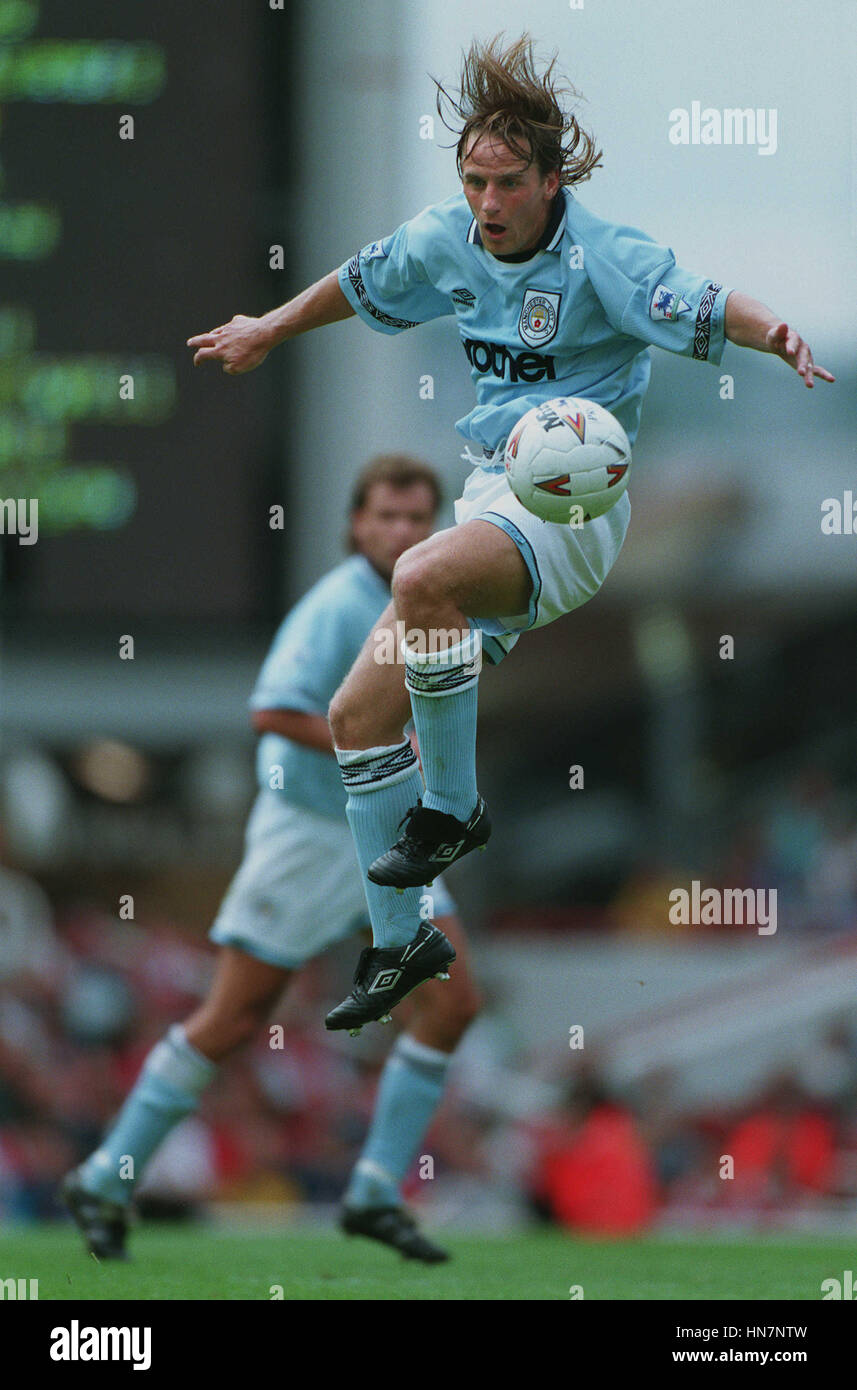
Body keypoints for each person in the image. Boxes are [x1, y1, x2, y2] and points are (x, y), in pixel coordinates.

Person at [187, 33, 834, 1034]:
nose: (486, 202)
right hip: (492, 497)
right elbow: (359, 285)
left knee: (417, 578)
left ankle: (450, 807)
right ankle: (403, 939)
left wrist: (777, 331)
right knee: (358, 712)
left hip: (574, 511)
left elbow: (706, 304)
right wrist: (268, 328)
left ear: (549, 179)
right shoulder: (445, 236)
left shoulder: (605, 257)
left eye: (504, 184)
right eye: (473, 181)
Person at [62, 456, 480, 1264]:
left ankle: (371, 1193)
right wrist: (378, 744)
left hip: (389, 835)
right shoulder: (337, 607)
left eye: (415, 517)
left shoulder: (421, 599)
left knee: (453, 1004)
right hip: (312, 834)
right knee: (234, 1019)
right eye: (386, 516)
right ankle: (105, 1177)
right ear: (355, 525)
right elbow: (272, 708)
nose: (401, 530)